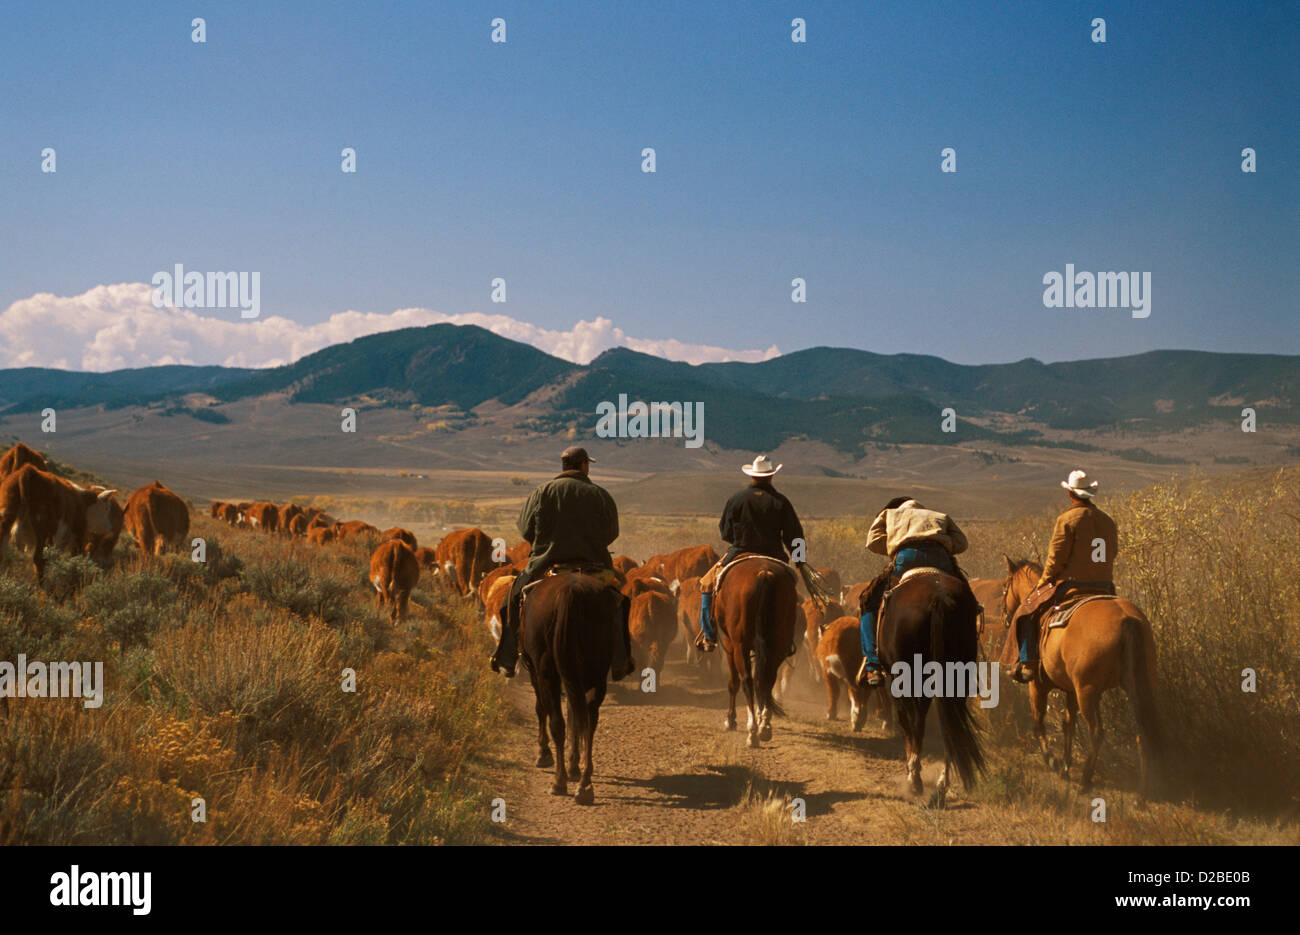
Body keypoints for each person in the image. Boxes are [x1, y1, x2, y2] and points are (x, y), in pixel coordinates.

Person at [489, 446, 635, 680]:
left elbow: (526, 529)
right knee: (620, 602)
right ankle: (620, 660)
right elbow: (611, 532)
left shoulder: (542, 492)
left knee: (512, 598)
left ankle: (507, 657)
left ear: (564, 466)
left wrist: (545, 546)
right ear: (584, 465)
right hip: (594, 567)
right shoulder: (600, 494)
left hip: (544, 565)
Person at [1010, 470, 1117, 683]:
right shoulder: (1107, 520)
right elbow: (1112, 552)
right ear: (1089, 494)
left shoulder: (1067, 519)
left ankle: (1028, 663)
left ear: (1070, 494)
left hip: (1072, 585)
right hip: (1105, 586)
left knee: (1026, 611)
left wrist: (1042, 583)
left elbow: (1055, 559)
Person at [856, 496, 972, 687]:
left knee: (869, 600)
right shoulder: (939, 516)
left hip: (906, 558)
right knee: (967, 601)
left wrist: (894, 545)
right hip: (940, 559)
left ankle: (872, 665)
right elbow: (962, 543)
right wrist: (941, 544)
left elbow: (872, 541)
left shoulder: (889, 514)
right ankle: (969, 669)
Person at [695, 455, 806, 653]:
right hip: (775, 556)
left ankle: (709, 635)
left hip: (740, 551)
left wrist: (741, 540)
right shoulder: (781, 502)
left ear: (752, 476)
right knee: (791, 591)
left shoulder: (736, 499)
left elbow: (725, 532)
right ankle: (787, 638)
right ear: (771, 477)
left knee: (706, 584)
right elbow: (795, 536)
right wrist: (800, 560)